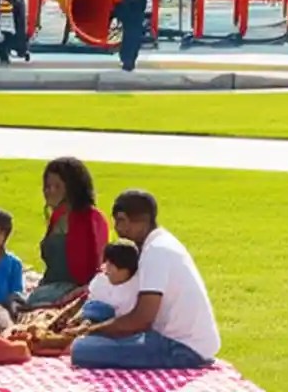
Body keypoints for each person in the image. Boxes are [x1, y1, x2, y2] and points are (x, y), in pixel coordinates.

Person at [71, 190, 219, 370]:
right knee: (99, 317)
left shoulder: (156, 252)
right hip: (173, 339)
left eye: (120, 221)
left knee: (82, 349)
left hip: (182, 348)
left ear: (139, 221)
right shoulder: (159, 244)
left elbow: (141, 319)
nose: (117, 229)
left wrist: (91, 332)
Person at [26, 157, 109, 308]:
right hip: (50, 285)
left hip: (75, 291)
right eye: (47, 186)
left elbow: (99, 268)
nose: (49, 191)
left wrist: (77, 294)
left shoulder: (91, 219)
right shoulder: (57, 216)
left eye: (57, 186)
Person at [78, 240, 141, 325]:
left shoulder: (134, 290)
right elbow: (89, 303)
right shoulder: (101, 280)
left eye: (110, 265)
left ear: (125, 270)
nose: (106, 270)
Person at [106, 0, 150, 72]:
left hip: (132, 5)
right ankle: (126, 58)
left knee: (132, 31)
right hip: (127, 5)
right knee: (131, 31)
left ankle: (128, 60)